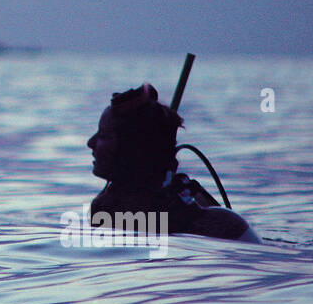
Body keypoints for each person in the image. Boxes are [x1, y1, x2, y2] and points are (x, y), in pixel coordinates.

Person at [86, 83, 258, 243]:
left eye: (104, 135)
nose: (91, 142)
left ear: (132, 149)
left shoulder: (220, 225)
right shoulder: (106, 210)